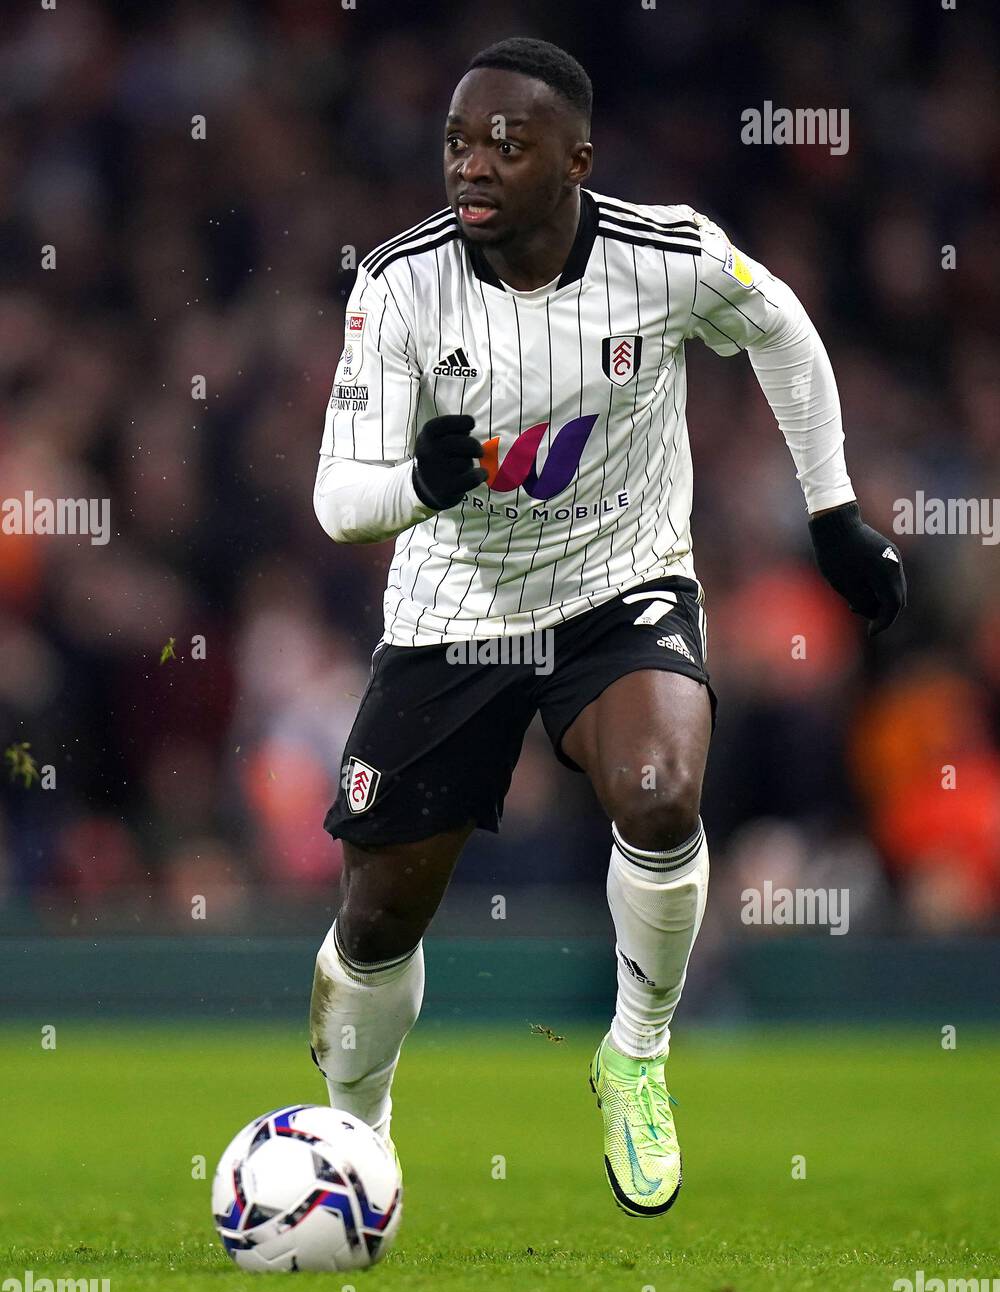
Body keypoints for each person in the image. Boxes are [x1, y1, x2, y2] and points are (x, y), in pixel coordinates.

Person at [308, 37, 905, 1216]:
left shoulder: (666, 254)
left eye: (505, 145)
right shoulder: (396, 283)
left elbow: (781, 326)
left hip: (618, 586)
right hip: (453, 613)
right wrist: (419, 484)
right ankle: (355, 1136)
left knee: (662, 789)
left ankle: (636, 1051)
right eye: (456, 144)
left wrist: (833, 512)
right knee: (377, 918)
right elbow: (338, 501)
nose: (471, 167)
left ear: (578, 160)